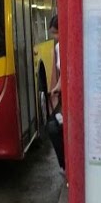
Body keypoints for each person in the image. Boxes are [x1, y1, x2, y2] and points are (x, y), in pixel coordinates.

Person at [44, 14, 66, 173]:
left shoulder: (72, 44)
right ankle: (64, 165)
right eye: (52, 33)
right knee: (54, 128)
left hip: (74, 101)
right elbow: (63, 73)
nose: (55, 36)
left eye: (56, 32)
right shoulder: (59, 47)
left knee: (56, 129)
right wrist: (57, 87)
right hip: (65, 99)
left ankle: (67, 165)